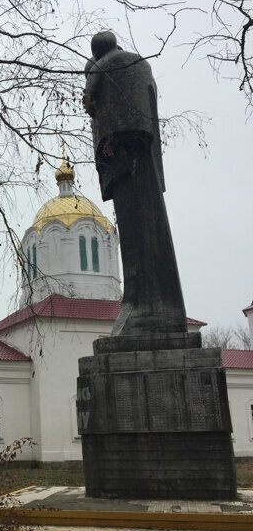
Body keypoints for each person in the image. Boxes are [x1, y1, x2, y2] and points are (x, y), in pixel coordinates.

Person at [83, 31, 187, 336]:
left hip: (121, 149)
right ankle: (154, 305)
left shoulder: (105, 65)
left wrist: (91, 76)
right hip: (140, 147)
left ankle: (147, 308)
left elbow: (90, 100)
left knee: (137, 226)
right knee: (147, 225)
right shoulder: (139, 65)